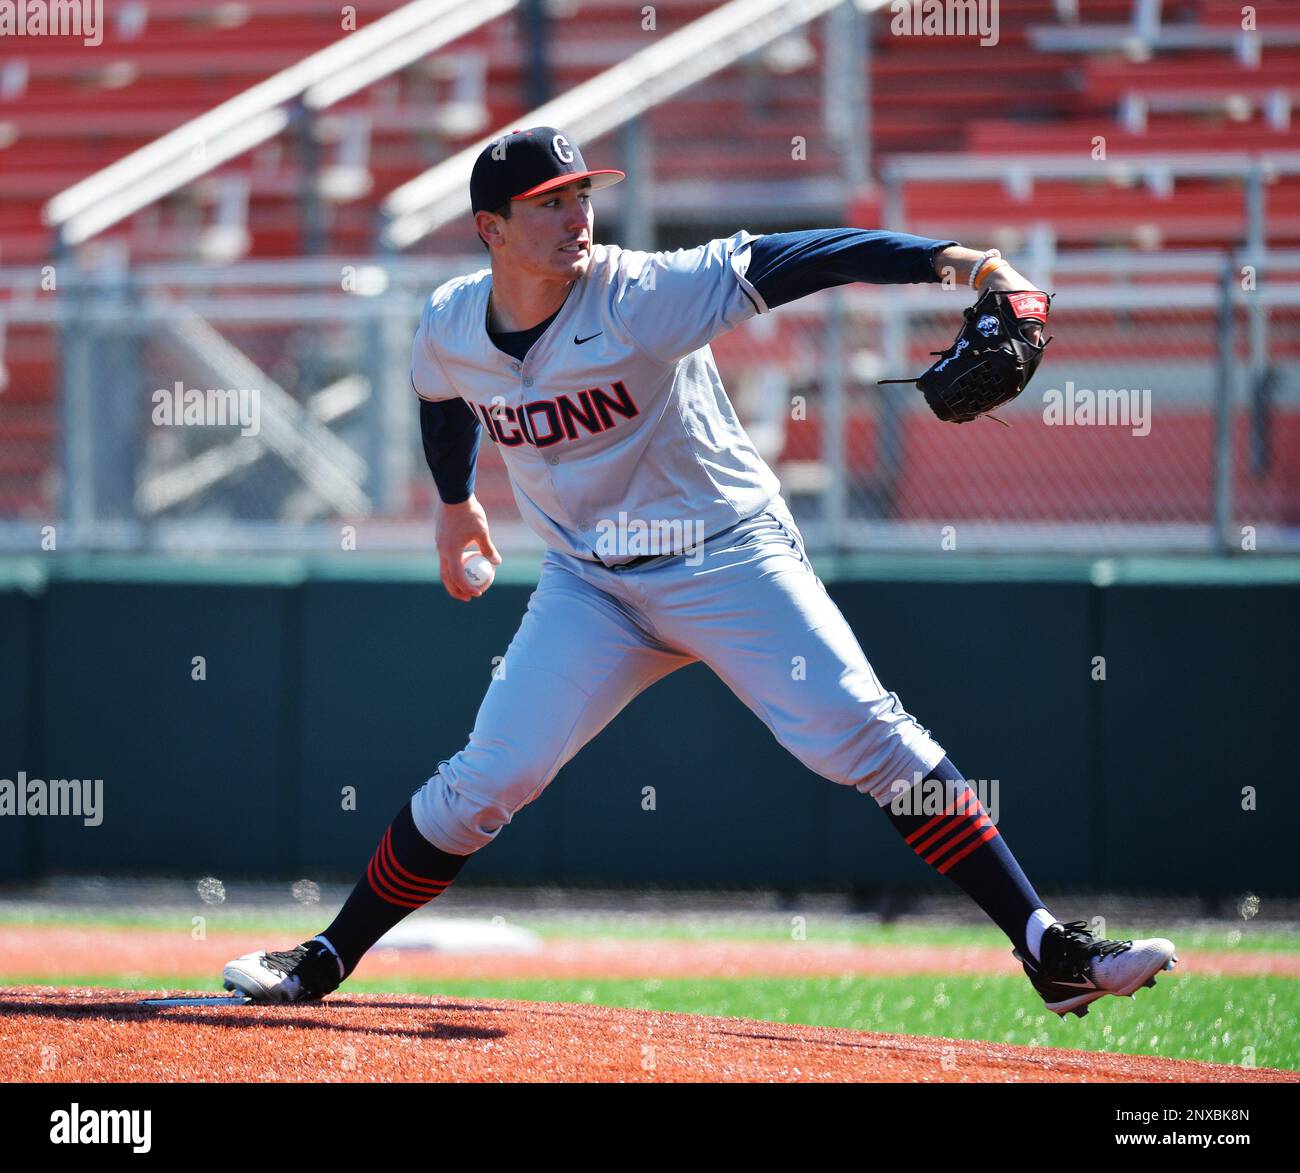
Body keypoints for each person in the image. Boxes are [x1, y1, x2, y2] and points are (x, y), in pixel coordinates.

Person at [224, 127, 1176, 1018]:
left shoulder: (639, 293)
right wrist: (453, 504)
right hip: (590, 585)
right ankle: (327, 956)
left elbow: (804, 257)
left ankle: (1047, 947)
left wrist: (958, 263)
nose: (577, 216)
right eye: (551, 202)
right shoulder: (451, 322)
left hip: (727, 556)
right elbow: (443, 397)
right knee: (488, 778)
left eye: (582, 194)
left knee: (861, 736)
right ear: (492, 229)